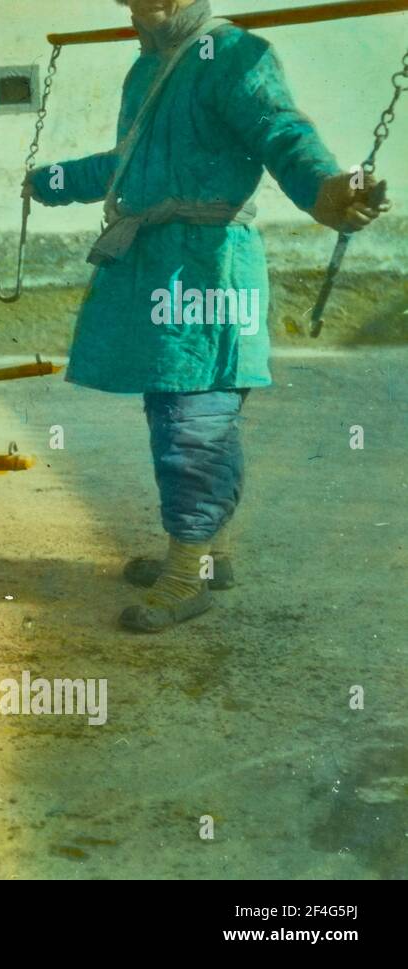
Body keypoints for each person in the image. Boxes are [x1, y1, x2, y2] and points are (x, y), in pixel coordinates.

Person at [24, 0, 390, 632]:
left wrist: (331, 191)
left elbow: (284, 134)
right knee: (174, 405)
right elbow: (134, 161)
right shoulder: (150, 68)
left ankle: (185, 573)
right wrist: (55, 179)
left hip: (207, 270)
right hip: (154, 264)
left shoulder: (238, 55)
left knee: (194, 420)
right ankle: (200, 554)